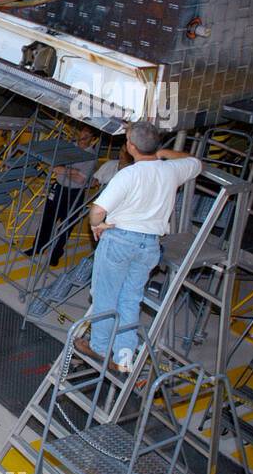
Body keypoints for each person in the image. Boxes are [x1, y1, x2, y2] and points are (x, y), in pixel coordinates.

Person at [78, 123, 202, 370]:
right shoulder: (171, 171)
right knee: (130, 299)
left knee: (105, 296)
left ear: (131, 147)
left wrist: (97, 224)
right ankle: (124, 357)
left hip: (120, 241)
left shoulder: (128, 174)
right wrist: (164, 155)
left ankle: (100, 348)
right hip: (149, 246)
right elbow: (196, 162)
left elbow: (98, 210)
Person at [26, 125, 99, 267]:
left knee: (66, 225)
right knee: (47, 220)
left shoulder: (91, 157)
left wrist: (65, 170)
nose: (84, 137)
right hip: (58, 188)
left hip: (74, 193)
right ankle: (38, 247)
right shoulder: (67, 147)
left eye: (88, 135)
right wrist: (74, 171)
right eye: (83, 132)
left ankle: (55, 254)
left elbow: (81, 179)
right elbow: (54, 167)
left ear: (92, 139)